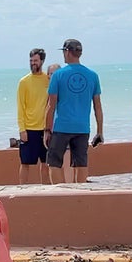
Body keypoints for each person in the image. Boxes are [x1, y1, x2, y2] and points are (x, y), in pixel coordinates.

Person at [44, 38, 104, 184]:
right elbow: (97, 107)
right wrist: (100, 131)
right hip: (82, 128)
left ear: (67, 52)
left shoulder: (58, 75)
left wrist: (47, 130)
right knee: (81, 163)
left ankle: (60, 192)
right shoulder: (93, 75)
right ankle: (80, 192)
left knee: (54, 162)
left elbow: (51, 106)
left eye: (64, 52)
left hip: (62, 127)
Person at [16, 48, 50, 184]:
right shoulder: (24, 82)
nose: (32, 63)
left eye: (35, 60)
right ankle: (22, 189)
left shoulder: (48, 80)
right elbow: (20, 107)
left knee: (46, 163)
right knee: (25, 163)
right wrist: (22, 129)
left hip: (45, 129)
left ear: (42, 61)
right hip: (29, 129)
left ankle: (46, 189)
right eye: (31, 60)